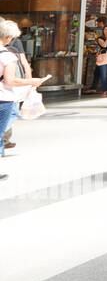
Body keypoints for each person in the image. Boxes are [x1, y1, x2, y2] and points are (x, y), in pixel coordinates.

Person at [1, 20, 51, 171]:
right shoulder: (8, 57)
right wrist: (31, 81)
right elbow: (9, 81)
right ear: (9, 37)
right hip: (3, 99)